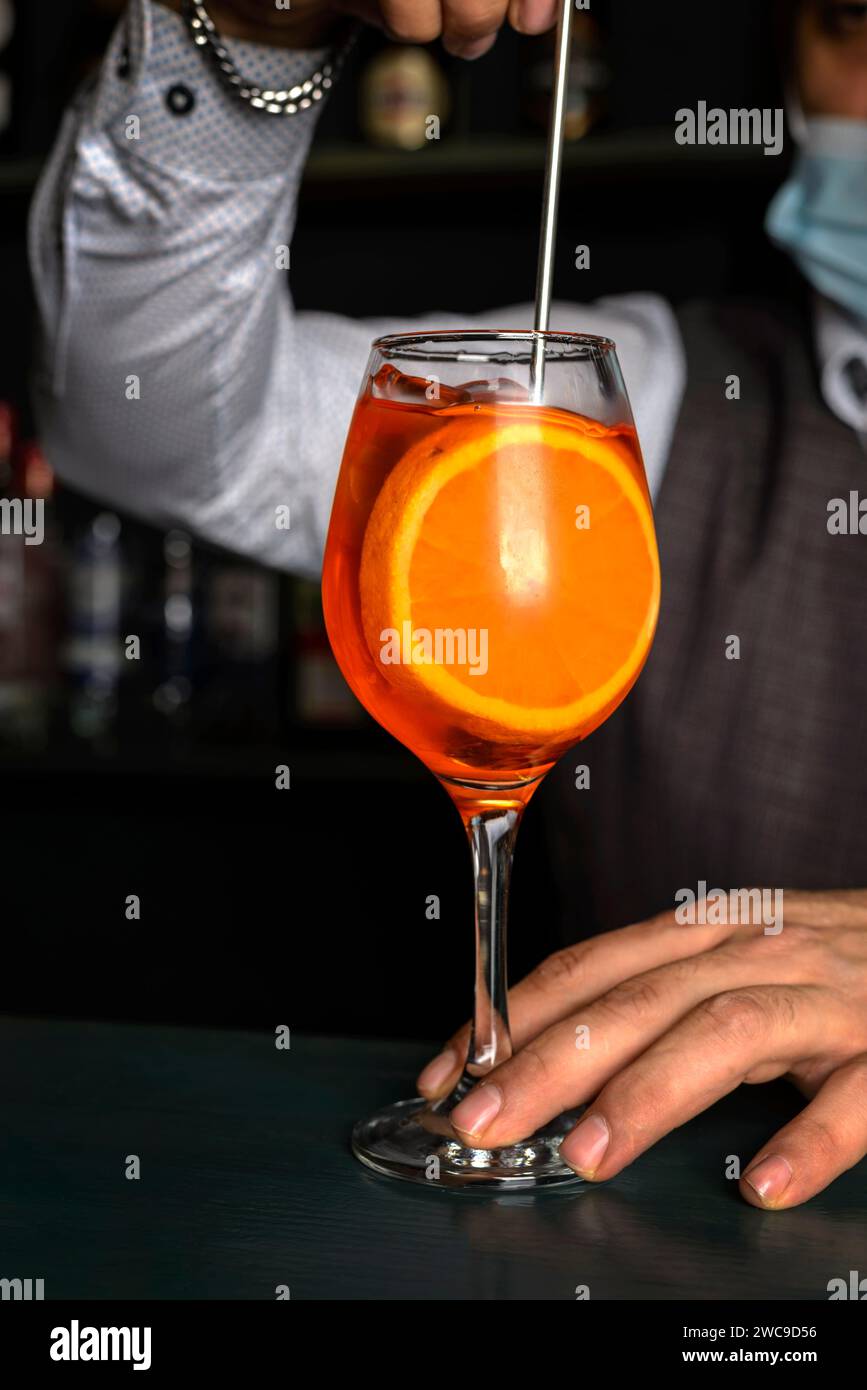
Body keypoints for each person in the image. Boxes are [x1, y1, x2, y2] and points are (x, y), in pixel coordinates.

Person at [29, 0, 867, 1209]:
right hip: (646, 1233)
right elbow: (146, 425)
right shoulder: (631, 401)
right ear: (782, 61)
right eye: (855, 20)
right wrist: (256, 28)